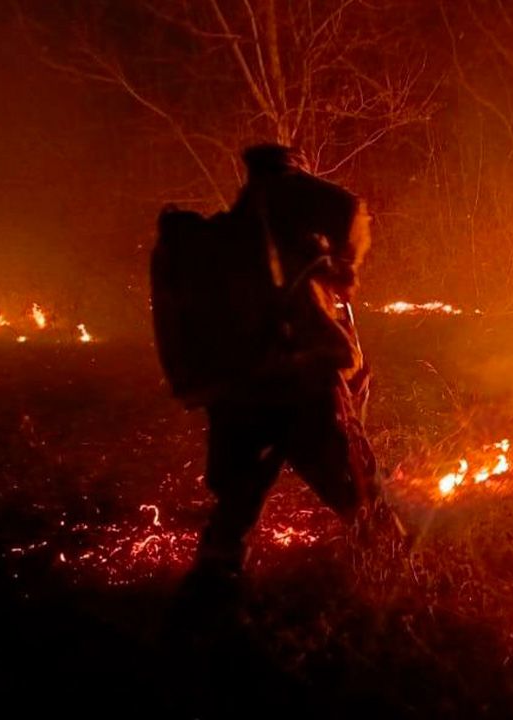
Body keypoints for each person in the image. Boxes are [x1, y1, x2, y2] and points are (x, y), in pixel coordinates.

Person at [188, 144, 398, 584]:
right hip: (298, 378)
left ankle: (214, 583)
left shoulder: (232, 231)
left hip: (241, 385)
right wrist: (346, 268)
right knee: (353, 481)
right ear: (289, 168)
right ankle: (398, 575)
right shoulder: (288, 192)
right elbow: (351, 210)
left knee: (238, 497)